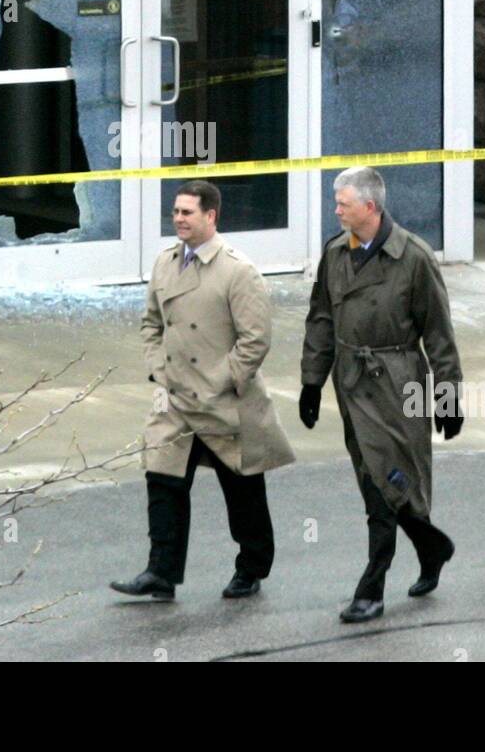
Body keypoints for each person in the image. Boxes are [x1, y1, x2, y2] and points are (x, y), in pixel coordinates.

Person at [111, 180, 295, 602]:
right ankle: (161, 572)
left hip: (224, 401)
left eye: (187, 212)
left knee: (243, 489)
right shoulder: (164, 263)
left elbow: (255, 340)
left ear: (211, 216)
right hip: (174, 399)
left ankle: (252, 567)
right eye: (175, 211)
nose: (178, 219)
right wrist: (159, 370)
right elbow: (151, 324)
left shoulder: (237, 271)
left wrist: (223, 380)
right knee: (163, 479)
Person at [299, 167, 462, 624]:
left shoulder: (413, 257)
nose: (336, 210)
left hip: (400, 379)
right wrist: (312, 381)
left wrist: (447, 396)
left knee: (391, 478)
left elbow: (439, 333)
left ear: (370, 207)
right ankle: (431, 547)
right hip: (351, 380)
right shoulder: (335, 253)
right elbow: (321, 320)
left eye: (343, 202)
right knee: (376, 479)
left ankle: (373, 586)